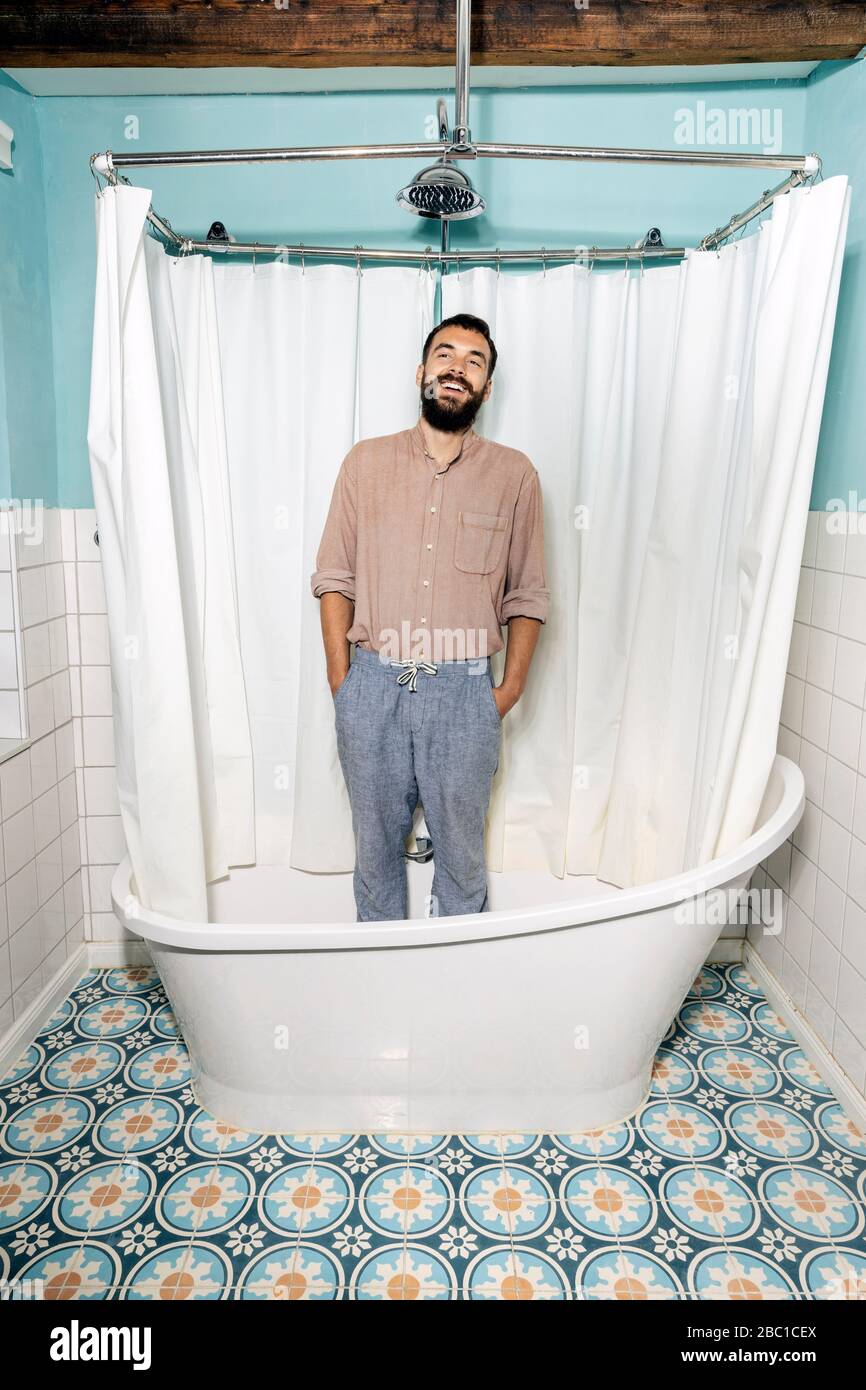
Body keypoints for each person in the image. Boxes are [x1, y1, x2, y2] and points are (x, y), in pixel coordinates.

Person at [310, 313, 549, 921]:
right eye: (445, 354)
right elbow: (334, 576)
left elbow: (526, 593)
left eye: (474, 361)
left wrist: (508, 690)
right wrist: (345, 682)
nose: (456, 368)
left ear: (487, 387)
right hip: (372, 686)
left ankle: (454, 996)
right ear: (422, 371)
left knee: (464, 860)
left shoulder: (514, 475)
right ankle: (382, 990)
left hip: (465, 696)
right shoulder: (364, 463)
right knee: (374, 857)